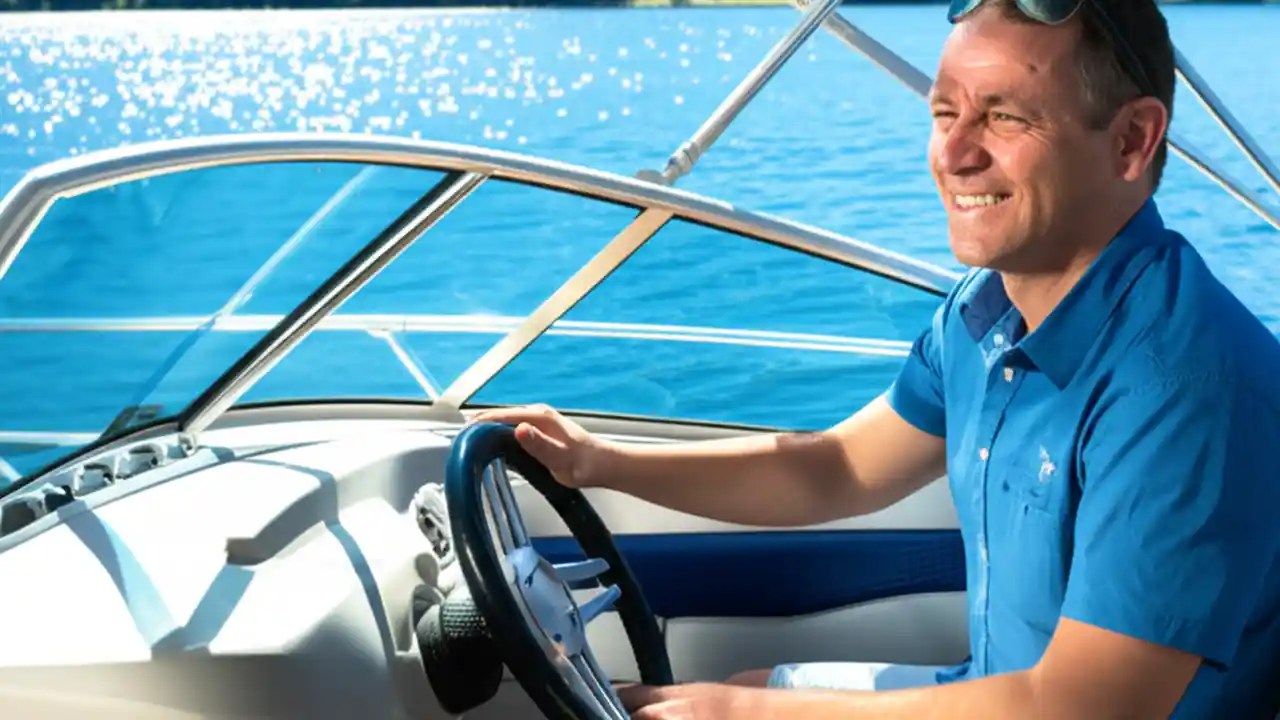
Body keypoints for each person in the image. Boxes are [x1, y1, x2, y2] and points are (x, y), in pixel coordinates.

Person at [473, 0, 1280, 717]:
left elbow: (1083, 706)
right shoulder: (985, 312)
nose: (954, 155)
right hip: (995, 688)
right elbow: (837, 468)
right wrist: (599, 461)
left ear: (1133, 140)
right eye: (944, 113)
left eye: (1004, 118)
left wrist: (732, 717)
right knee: (745, 684)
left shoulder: (1185, 387)